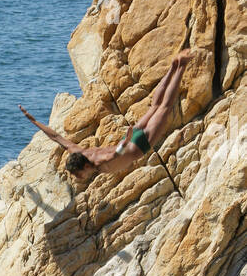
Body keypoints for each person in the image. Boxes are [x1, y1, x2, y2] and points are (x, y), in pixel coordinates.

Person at [19, 50, 193, 185]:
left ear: (85, 167)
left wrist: (124, 145)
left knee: (164, 107)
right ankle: (173, 67)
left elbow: (115, 156)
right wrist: (32, 120)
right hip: (131, 137)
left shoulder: (99, 163)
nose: (78, 178)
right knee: (155, 106)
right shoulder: (78, 152)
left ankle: (182, 66)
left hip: (138, 145)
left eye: (79, 174)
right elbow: (56, 137)